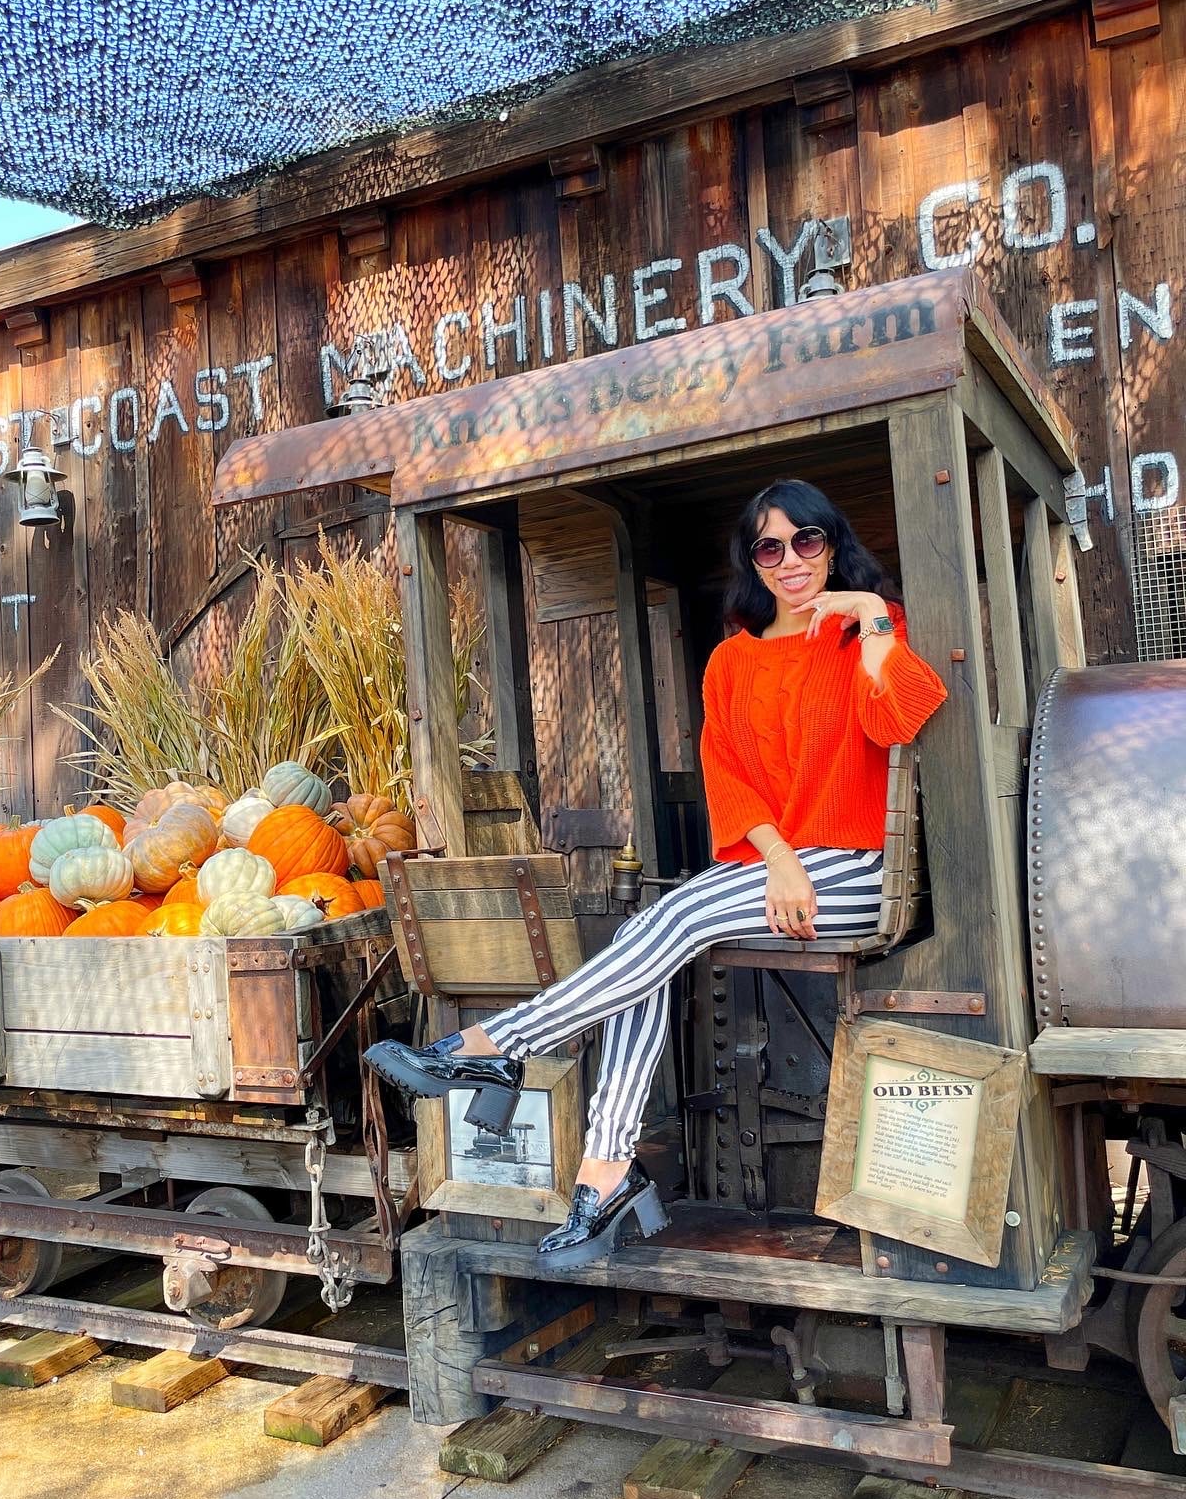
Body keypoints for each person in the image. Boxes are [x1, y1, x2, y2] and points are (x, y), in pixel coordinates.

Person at [366, 479, 948, 1269]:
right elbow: (731, 778)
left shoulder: (866, 635)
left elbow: (900, 717)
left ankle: (498, 1043)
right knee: (653, 945)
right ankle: (603, 1177)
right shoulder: (731, 664)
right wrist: (777, 859)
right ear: (754, 562)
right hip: (782, 874)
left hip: (856, 872)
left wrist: (869, 616)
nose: (791, 561)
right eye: (770, 548)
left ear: (832, 543)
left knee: (665, 923)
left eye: (807, 541)